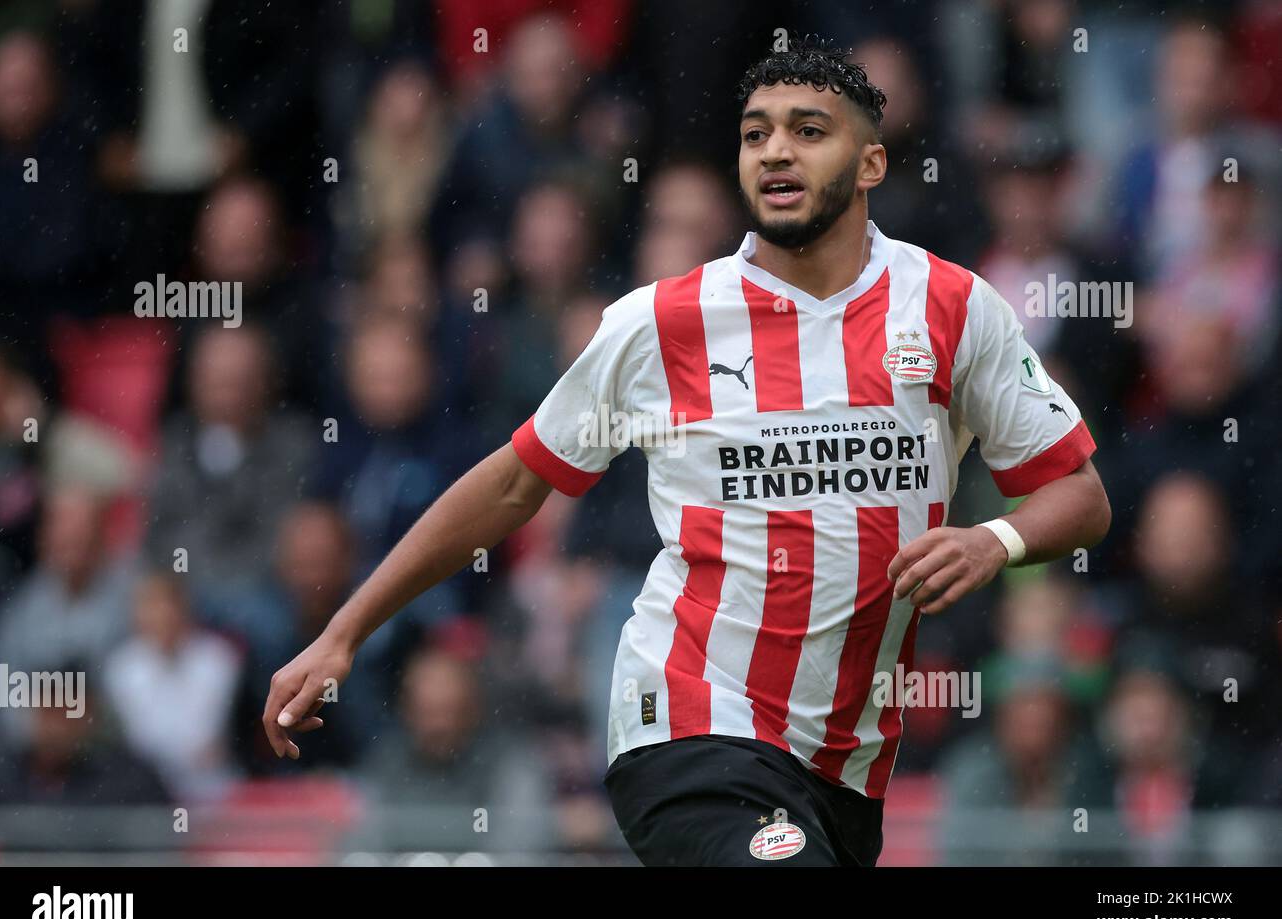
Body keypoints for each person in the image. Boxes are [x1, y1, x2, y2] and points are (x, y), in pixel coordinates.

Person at [263, 35, 1111, 867]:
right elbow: (516, 485)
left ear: (871, 166)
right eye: (755, 133)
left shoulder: (954, 307)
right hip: (687, 722)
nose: (775, 151)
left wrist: (991, 540)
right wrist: (344, 632)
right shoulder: (662, 322)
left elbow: (1081, 497)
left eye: (809, 130)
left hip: (846, 764)